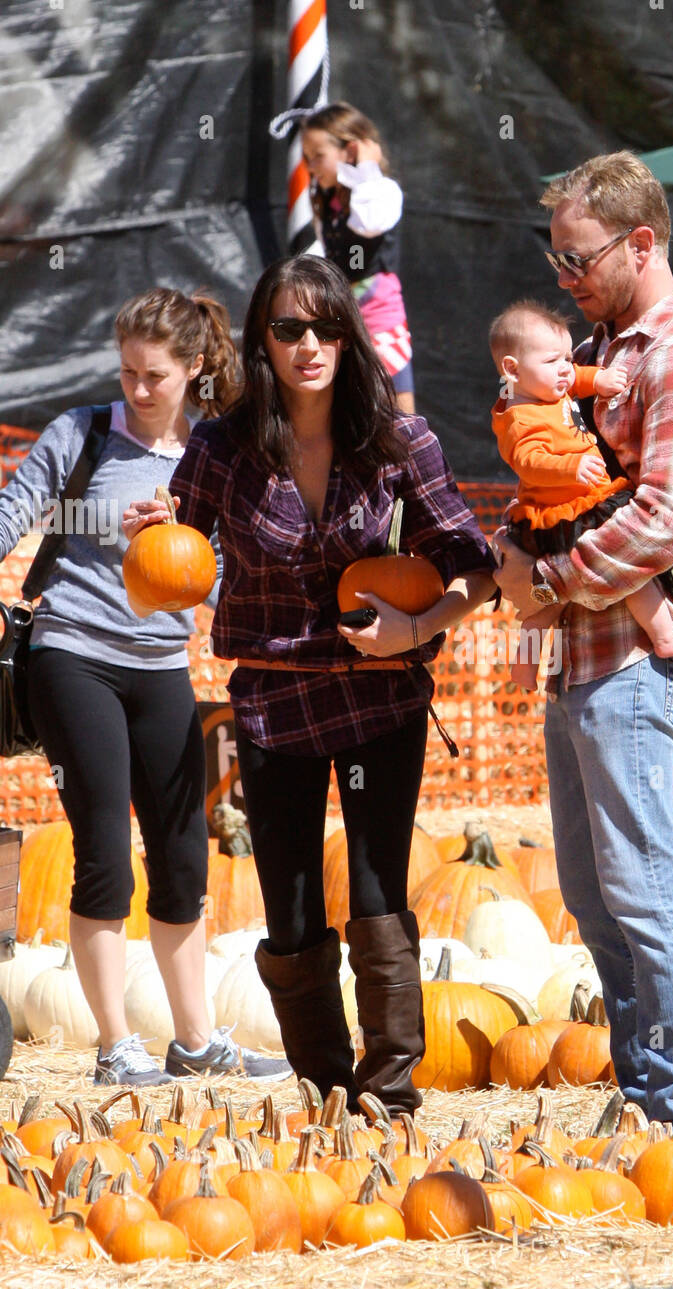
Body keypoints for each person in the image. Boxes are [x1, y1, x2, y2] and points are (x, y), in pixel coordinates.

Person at [126, 256, 496, 1117]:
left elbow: (473, 567)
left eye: (327, 326)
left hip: (380, 695)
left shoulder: (401, 440)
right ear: (262, 338)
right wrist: (143, 545)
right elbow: (166, 576)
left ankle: (391, 1092)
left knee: (376, 892)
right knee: (289, 912)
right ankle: (327, 1094)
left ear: (349, 336)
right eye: (289, 328)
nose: (309, 345)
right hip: (272, 698)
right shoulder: (221, 445)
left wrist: (415, 629)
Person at [492, 151, 673, 1124]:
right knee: (591, 892)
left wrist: (549, 580)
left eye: (577, 258)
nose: (562, 278)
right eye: (552, 258)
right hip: (581, 657)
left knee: (641, 886)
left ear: (640, 242)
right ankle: (646, 1094)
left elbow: (670, 516)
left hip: (635, 664)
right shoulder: (605, 353)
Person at [0, 288, 291, 1086]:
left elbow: (220, 578)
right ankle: (112, 1046)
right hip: (72, 654)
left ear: (194, 368)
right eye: (126, 370)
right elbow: (15, 511)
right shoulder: (82, 433)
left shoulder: (211, 456)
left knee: (182, 857)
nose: (135, 388)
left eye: (154, 375)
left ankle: (196, 1039)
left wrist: (179, 541)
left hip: (162, 665)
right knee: (102, 852)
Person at [489, 298, 673, 689]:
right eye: (553, 361)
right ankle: (663, 634)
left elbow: (576, 379)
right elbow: (528, 461)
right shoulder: (519, 418)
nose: (565, 369)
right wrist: (570, 467)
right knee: (634, 578)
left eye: (568, 357)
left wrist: (598, 381)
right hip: (563, 514)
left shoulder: (550, 386)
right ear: (512, 370)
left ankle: (524, 665)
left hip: (573, 506)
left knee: (547, 602)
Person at [301, 103, 415, 413]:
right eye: (307, 158)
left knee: (396, 411)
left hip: (381, 323)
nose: (311, 166)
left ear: (350, 149)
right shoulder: (328, 205)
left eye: (318, 156)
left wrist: (365, 168)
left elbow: (370, 222)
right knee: (350, 409)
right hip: (345, 321)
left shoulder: (381, 191)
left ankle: (411, 460)